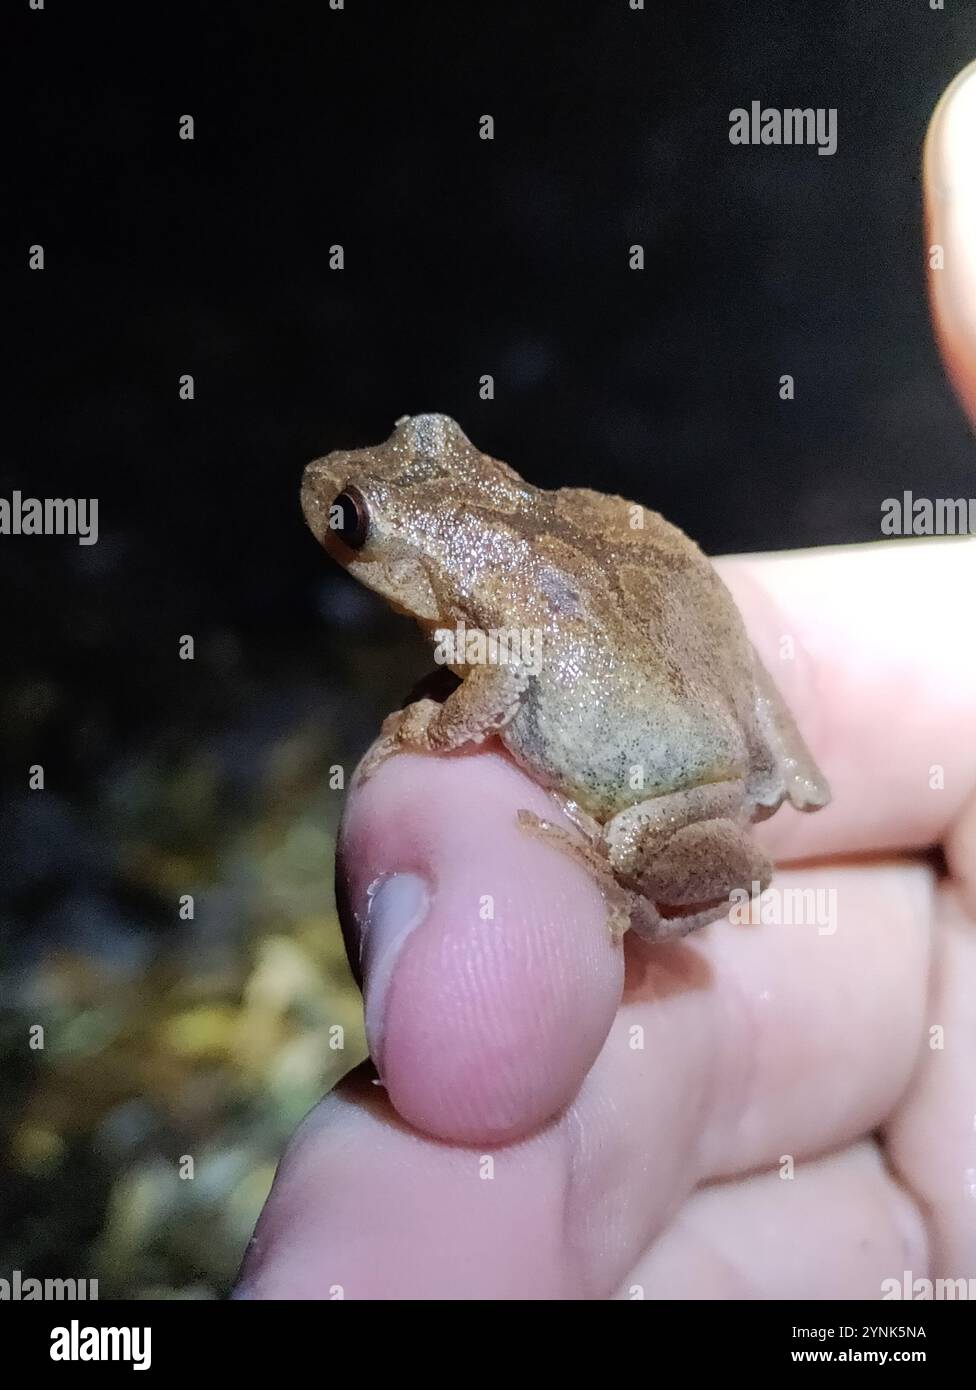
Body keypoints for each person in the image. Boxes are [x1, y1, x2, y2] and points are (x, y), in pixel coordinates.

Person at [236, 63, 976, 1300]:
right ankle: (763, 761)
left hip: (667, 792)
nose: (336, 505)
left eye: (354, 522)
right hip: (697, 689)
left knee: (577, 838)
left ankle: (662, 836)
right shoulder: (490, 567)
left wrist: (426, 720)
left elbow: (489, 691)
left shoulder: (480, 625)